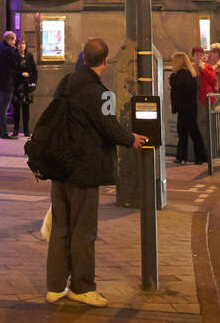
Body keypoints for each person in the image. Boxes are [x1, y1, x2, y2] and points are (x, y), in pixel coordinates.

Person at [45, 38, 145, 307]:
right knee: (84, 232)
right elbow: (109, 126)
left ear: (82, 57)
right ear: (105, 61)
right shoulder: (101, 93)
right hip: (84, 171)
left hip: (59, 167)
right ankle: (82, 287)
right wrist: (130, 139)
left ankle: (55, 287)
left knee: (61, 228)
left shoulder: (65, 83)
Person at [169, 50, 207, 165]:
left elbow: (175, 84)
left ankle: (196, 157)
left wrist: (171, 76)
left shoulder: (181, 74)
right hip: (188, 108)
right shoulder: (188, 73)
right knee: (186, 132)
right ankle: (184, 157)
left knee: (189, 132)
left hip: (185, 109)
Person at [0, 31, 19, 138]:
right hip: (7, 83)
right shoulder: (10, 50)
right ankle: (3, 132)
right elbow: (15, 63)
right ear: (11, 39)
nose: (15, 43)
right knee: (4, 109)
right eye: (14, 41)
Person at [11, 39, 37, 137]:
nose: (22, 46)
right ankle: (16, 129)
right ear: (17, 46)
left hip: (27, 86)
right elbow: (12, 71)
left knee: (26, 109)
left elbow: (34, 71)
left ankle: (26, 129)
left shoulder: (29, 56)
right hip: (17, 85)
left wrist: (31, 78)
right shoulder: (14, 56)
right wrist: (21, 74)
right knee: (16, 108)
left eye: (23, 44)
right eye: (20, 44)